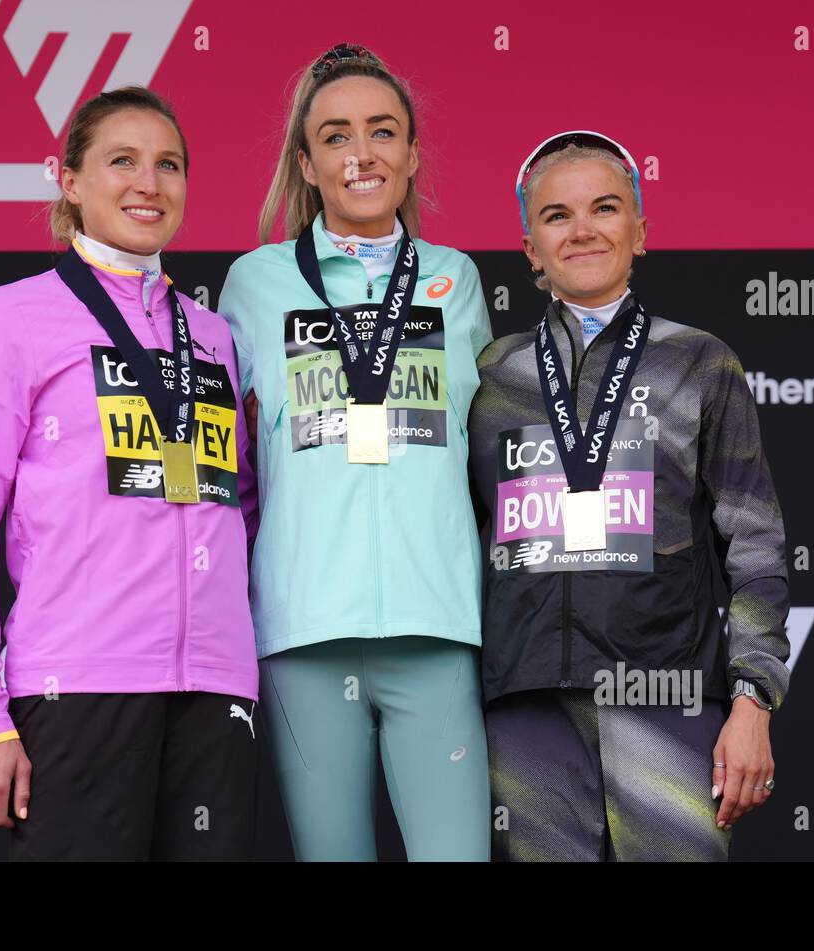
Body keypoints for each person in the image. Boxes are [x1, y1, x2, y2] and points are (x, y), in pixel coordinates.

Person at [0, 86, 259, 860]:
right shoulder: (13, 318)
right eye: (123, 161)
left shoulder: (213, 336)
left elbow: (237, 507)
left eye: (168, 165)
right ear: (71, 180)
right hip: (76, 682)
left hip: (215, 692)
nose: (149, 183)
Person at [467, 131, 789, 861]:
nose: (582, 229)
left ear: (639, 232)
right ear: (529, 248)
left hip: (667, 698)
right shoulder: (490, 375)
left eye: (605, 207)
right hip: (529, 707)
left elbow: (757, 544)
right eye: (557, 215)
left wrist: (753, 700)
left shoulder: (701, 361)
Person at [217, 43, 494, 861]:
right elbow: (232, 466)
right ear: (306, 162)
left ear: (411, 154)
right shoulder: (254, 284)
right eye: (336, 136)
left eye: (382, 132)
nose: (361, 154)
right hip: (306, 629)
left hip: (435, 623)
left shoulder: (457, 280)